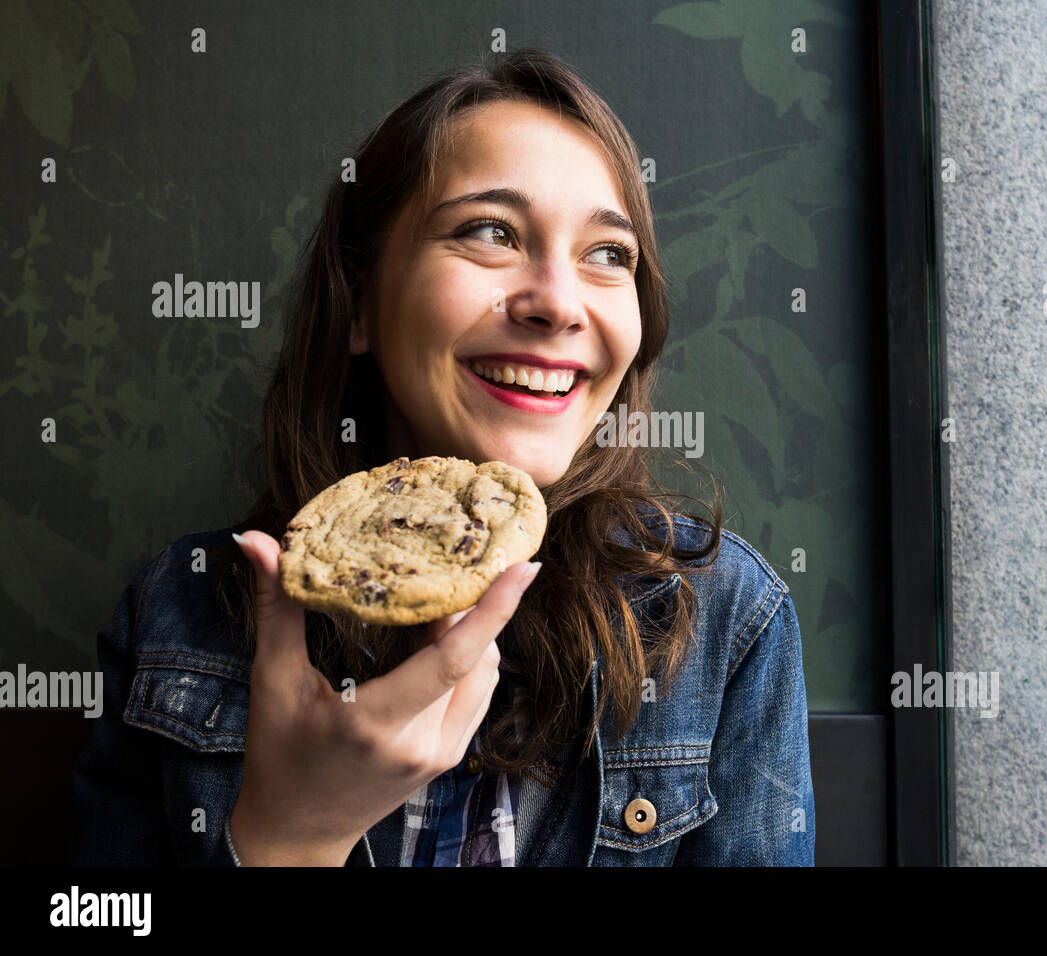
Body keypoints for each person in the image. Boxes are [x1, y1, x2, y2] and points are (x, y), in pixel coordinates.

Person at [69, 49, 815, 866]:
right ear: (359, 303)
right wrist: (290, 837)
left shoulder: (725, 619)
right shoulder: (185, 610)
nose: (560, 304)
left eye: (609, 254)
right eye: (490, 232)